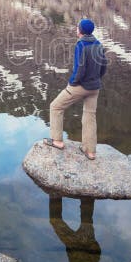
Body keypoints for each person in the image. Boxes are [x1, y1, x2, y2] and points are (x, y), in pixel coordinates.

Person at [44, 18, 108, 160]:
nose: (76, 29)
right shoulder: (98, 44)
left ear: (81, 31)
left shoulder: (81, 45)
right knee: (90, 116)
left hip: (81, 86)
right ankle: (90, 151)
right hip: (95, 87)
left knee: (55, 107)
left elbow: (80, 68)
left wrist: (73, 82)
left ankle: (57, 141)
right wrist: (97, 78)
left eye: (77, 27)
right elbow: (104, 66)